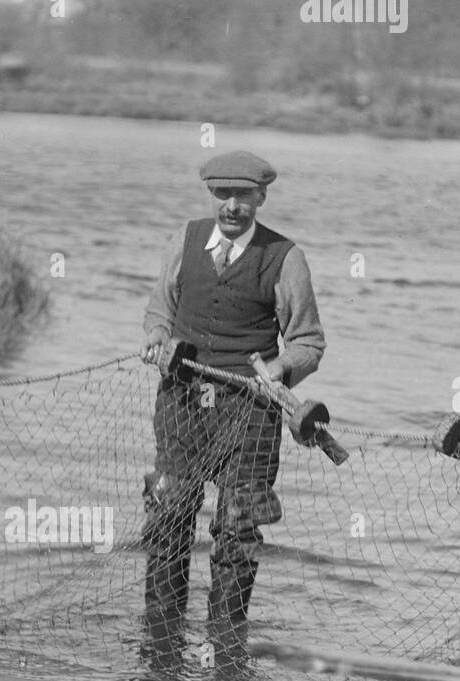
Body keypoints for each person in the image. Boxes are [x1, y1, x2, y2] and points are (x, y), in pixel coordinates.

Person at [139, 150, 326, 639]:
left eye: (243, 196)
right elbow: (160, 310)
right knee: (168, 516)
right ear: (211, 195)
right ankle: (161, 634)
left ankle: (226, 640)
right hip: (181, 402)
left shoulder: (287, 259)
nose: (232, 206)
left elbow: (309, 344)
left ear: (261, 197)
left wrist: (280, 366)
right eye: (223, 194)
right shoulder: (185, 239)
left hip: (251, 413)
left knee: (238, 531)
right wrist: (158, 340)